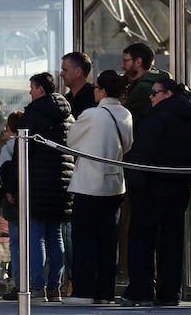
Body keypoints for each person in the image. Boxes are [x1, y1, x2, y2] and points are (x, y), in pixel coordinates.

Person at [119, 78, 191, 307]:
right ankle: (169, 292)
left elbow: (142, 154)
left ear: (167, 94)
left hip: (152, 186)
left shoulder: (155, 119)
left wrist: (133, 186)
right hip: (180, 188)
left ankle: (140, 291)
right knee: (172, 240)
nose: (150, 97)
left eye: (154, 93)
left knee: (141, 237)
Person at [66, 70, 133, 305]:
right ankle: (105, 292)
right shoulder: (125, 114)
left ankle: (83, 291)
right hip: (114, 184)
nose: (93, 90)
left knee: (84, 239)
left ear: (102, 90)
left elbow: (71, 142)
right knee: (108, 241)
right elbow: (128, 146)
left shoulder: (92, 114)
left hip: (89, 184)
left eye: (95, 87)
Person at [13, 72, 74, 303]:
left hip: (37, 181)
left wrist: (14, 184)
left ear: (40, 89)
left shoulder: (33, 114)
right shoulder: (68, 115)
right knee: (55, 235)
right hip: (61, 183)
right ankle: (54, 287)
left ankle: (37, 287)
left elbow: (22, 152)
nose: (29, 92)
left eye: (31, 87)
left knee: (36, 235)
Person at [0, 110, 25, 301]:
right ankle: (42, 283)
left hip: (13, 199)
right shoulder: (34, 144)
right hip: (33, 198)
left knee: (16, 241)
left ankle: (19, 283)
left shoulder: (8, 147)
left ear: (8, 128)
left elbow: (0, 173)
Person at [121, 43, 171, 122]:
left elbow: (123, 119)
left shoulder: (142, 88)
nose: (122, 65)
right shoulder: (159, 79)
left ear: (138, 62)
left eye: (126, 61)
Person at [60, 52, 95, 120]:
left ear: (78, 71)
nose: (61, 74)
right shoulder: (66, 100)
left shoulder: (91, 100)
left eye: (65, 70)